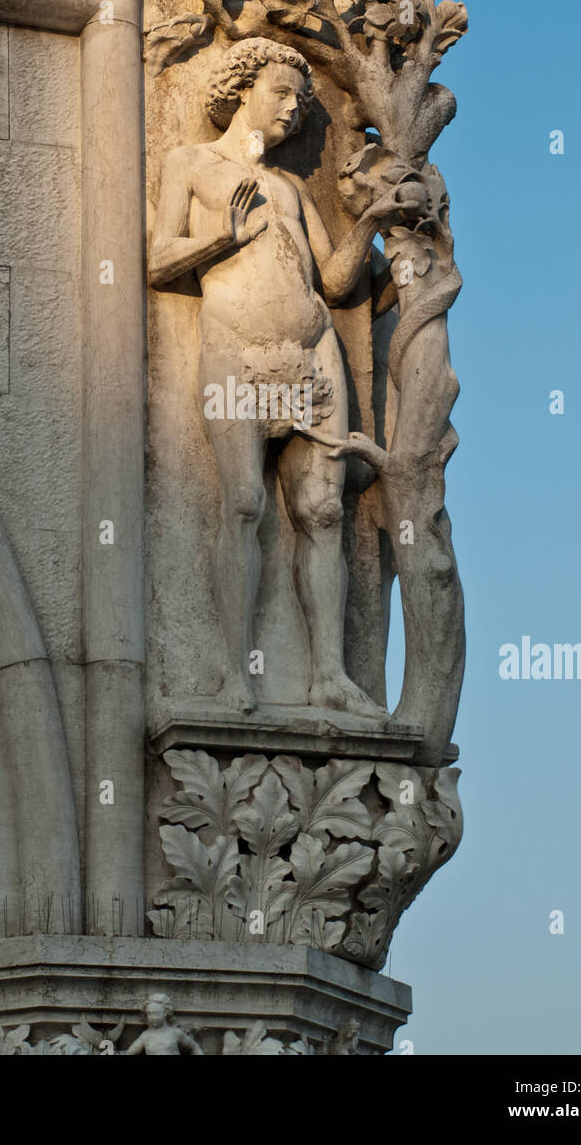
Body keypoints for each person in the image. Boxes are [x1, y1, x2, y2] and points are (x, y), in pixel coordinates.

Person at [150, 39, 385, 717]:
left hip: (312, 354)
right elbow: (159, 258)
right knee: (245, 504)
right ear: (244, 89)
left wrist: (369, 222)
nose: (292, 108)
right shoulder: (191, 164)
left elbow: (335, 283)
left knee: (325, 511)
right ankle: (235, 676)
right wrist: (221, 236)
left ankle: (331, 676)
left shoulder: (286, 188)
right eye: (281, 92)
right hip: (236, 348)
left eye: (301, 102)